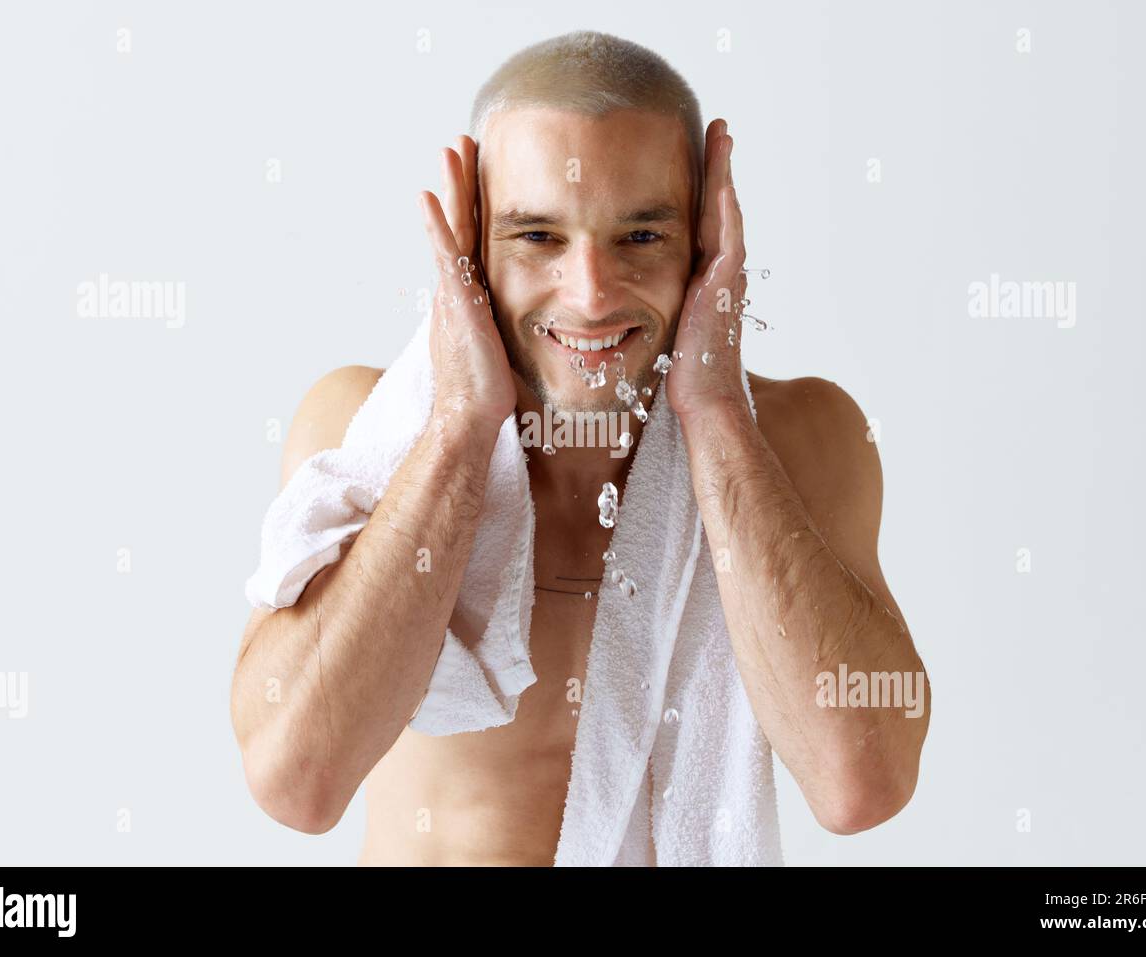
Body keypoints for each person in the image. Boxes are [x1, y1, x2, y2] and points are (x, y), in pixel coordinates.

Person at [231, 30, 929, 866]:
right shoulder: (358, 424)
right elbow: (295, 782)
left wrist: (712, 411)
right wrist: (459, 421)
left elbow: (862, 783)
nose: (591, 294)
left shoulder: (806, 438)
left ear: (706, 239)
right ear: (472, 240)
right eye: (538, 237)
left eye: (642, 236)